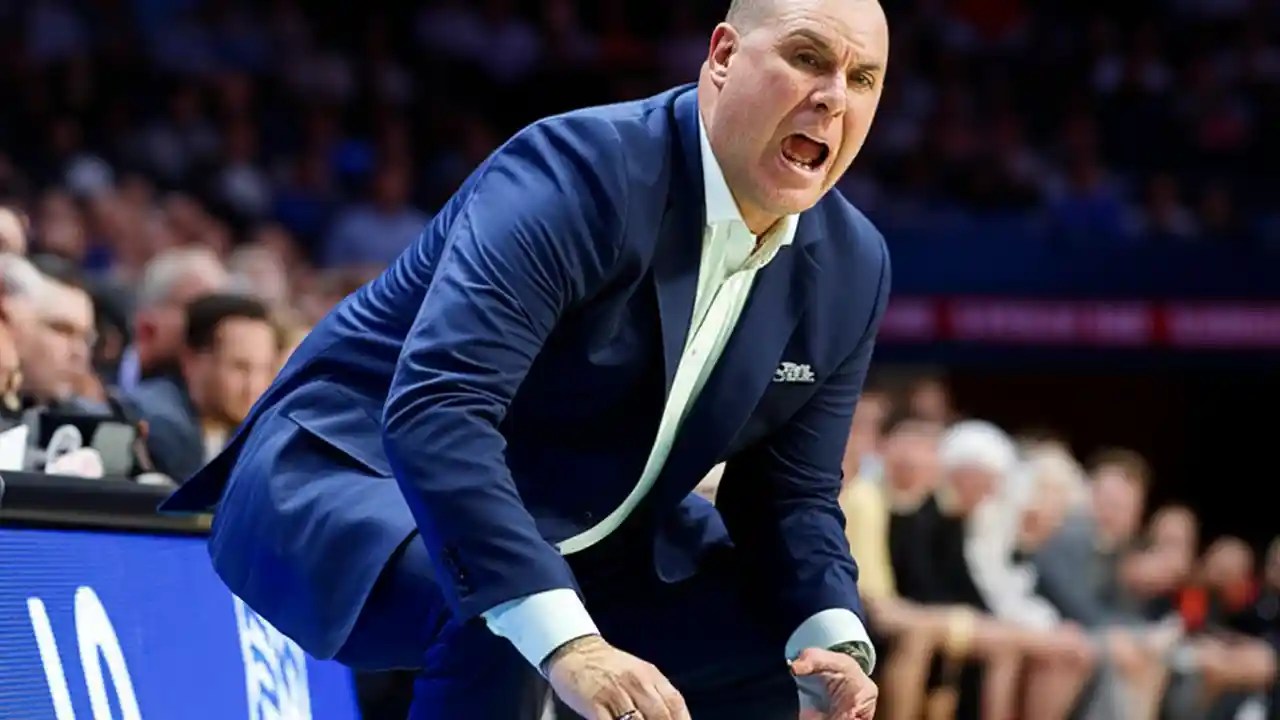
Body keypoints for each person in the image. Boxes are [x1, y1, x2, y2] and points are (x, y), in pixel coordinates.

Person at [163, 0, 892, 717]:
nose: (833, 97)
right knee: (505, 609)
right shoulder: (580, 170)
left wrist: (831, 638)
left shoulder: (853, 264)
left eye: (862, 79)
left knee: (780, 652)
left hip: (579, 523)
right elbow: (439, 407)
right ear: (724, 57)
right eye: (807, 58)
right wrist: (568, 640)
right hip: (358, 468)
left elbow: (789, 497)